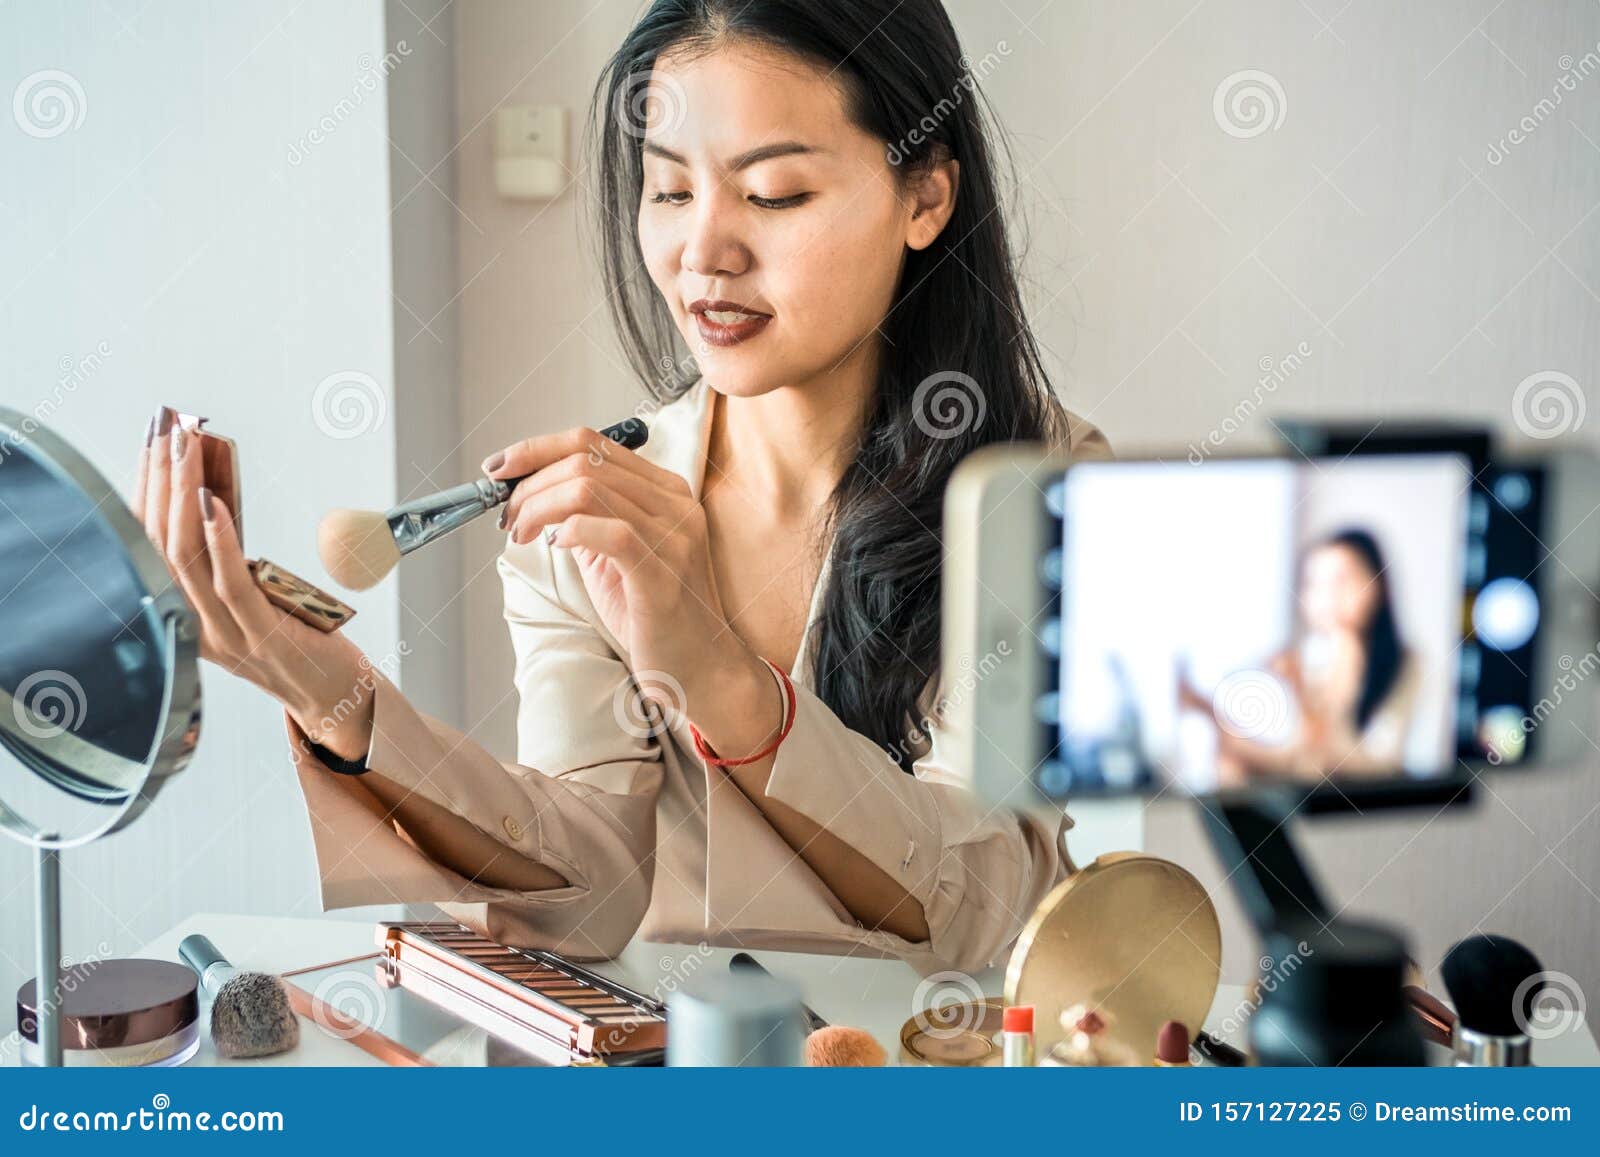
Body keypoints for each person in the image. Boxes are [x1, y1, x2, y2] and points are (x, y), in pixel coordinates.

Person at [132, 0, 1110, 975]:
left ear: (924, 197)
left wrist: (720, 677)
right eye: (670, 191)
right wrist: (336, 696)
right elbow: (584, 895)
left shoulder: (1044, 491)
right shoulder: (593, 519)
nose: (703, 253)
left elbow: (987, 911)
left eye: (773, 194)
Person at [1179, 529, 1421, 784]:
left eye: (1341, 581)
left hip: (1363, 797)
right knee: (1229, 765)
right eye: (1315, 584)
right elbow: (1297, 756)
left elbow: (1378, 762)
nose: (1328, 598)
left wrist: (1322, 695)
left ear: (1376, 585)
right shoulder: (1309, 656)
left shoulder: (1404, 662)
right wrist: (1213, 714)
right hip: (1303, 785)